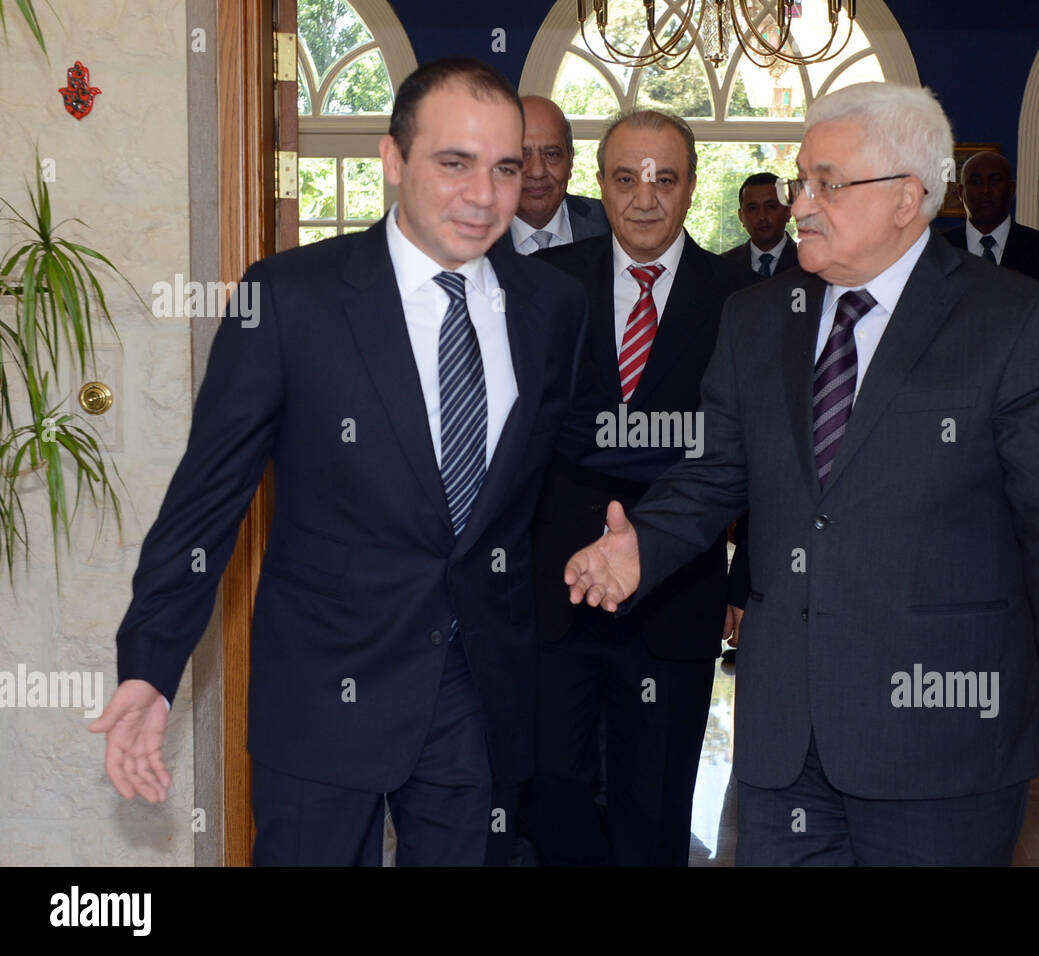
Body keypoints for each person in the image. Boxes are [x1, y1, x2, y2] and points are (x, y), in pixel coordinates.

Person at [563, 82, 1039, 866]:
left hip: (940, 742)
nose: (800, 205)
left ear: (906, 198)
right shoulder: (757, 319)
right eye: (801, 181)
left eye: (826, 183)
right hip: (785, 740)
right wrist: (641, 548)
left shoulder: (1010, 320)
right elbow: (715, 473)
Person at [90, 58, 595, 866]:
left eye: (506, 169)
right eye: (453, 163)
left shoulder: (552, 308)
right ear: (393, 161)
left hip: (477, 686)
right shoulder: (291, 299)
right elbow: (206, 502)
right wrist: (151, 665)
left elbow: (547, 481)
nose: (484, 195)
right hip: (326, 686)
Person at [526, 108, 755, 866]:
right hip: (554, 592)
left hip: (676, 592)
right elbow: (526, 429)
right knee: (554, 796)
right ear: (600, 185)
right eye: (626, 178)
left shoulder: (740, 299)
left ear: (692, 187)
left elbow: (754, 451)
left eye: (665, 178)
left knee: (653, 808)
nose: (645, 198)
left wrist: (747, 579)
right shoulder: (546, 286)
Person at [494, 95, 609, 255]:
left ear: (570, 161)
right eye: (522, 154)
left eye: (552, 154)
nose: (537, 172)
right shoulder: (469, 236)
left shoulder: (610, 224)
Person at [942, 151, 1039, 280]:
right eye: (976, 182)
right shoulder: (936, 250)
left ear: (1011, 189)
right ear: (960, 192)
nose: (985, 189)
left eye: (995, 181)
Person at [721, 172, 798, 276]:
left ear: (788, 212)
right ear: (741, 217)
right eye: (753, 209)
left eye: (771, 207)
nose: (762, 216)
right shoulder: (723, 266)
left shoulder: (808, 261)